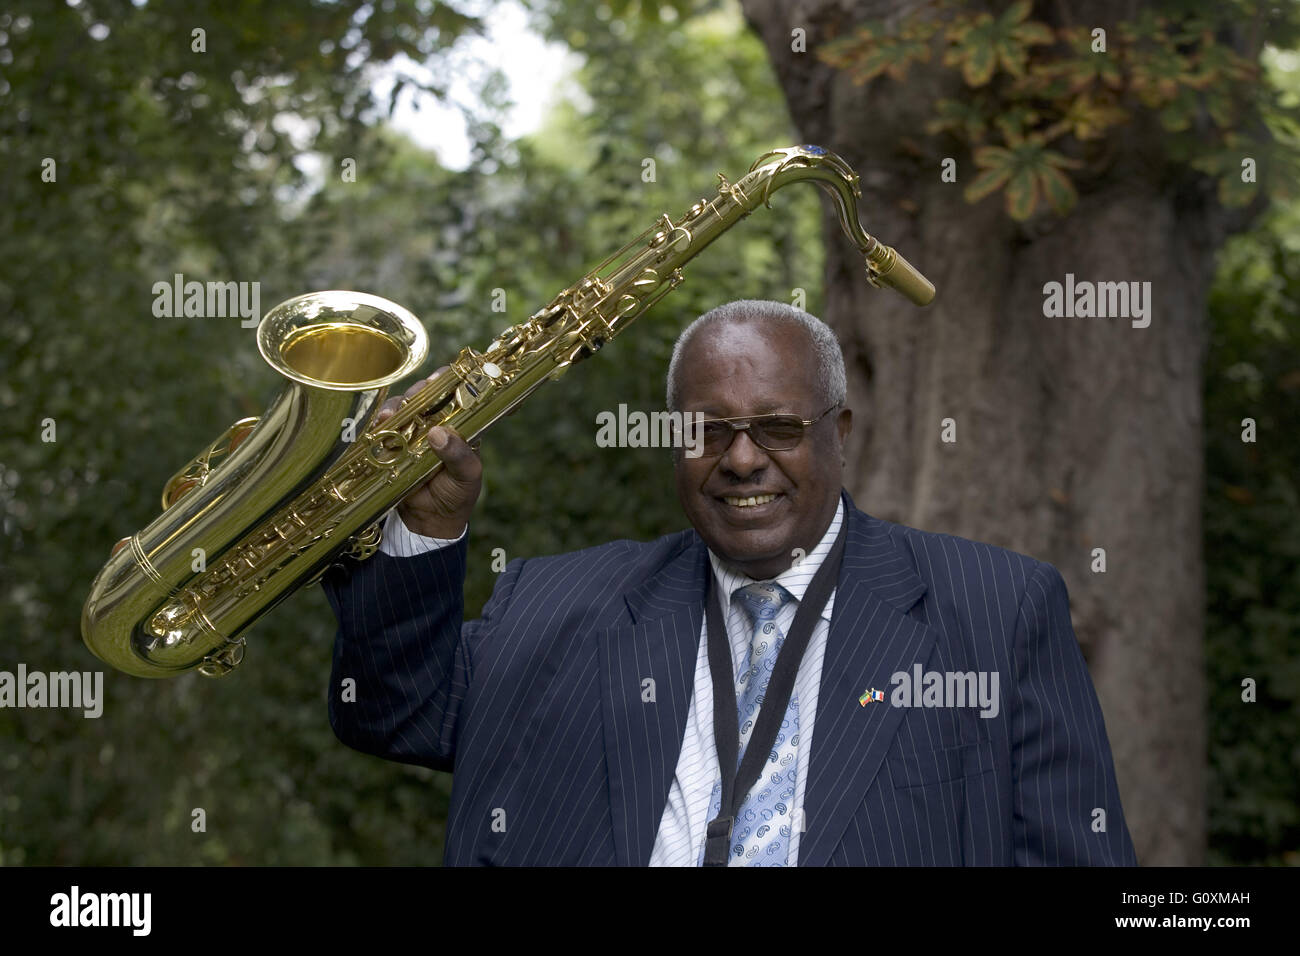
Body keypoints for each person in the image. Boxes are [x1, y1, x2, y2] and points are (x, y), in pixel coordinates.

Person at [321, 299, 1138, 866]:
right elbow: (394, 711)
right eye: (707, 432)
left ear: (839, 435)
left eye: (778, 428)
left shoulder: (997, 610)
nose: (742, 458)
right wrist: (424, 531)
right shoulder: (558, 603)